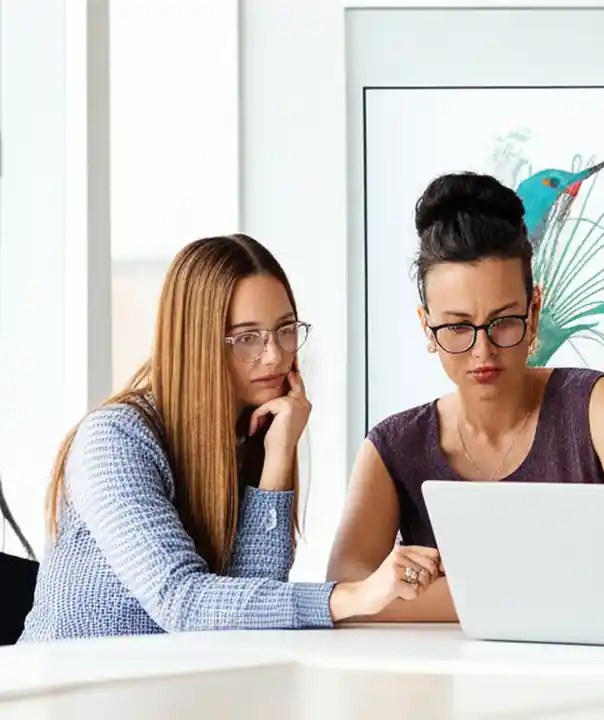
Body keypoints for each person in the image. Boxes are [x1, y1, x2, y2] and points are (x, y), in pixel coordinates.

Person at [20, 235, 436, 643]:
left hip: (172, 691)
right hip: (71, 693)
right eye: (247, 338)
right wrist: (353, 595)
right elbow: (182, 602)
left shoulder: (248, 433)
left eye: (285, 329)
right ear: (198, 343)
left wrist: (277, 457)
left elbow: (244, 614)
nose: (275, 355)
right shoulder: (113, 440)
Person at [326, 173, 604, 621]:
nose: (483, 350)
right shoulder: (394, 446)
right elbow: (346, 598)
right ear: (427, 326)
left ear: (534, 310)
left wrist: (438, 595)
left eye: (503, 321)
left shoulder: (594, 405)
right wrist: (572, 590)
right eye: (458, 327)